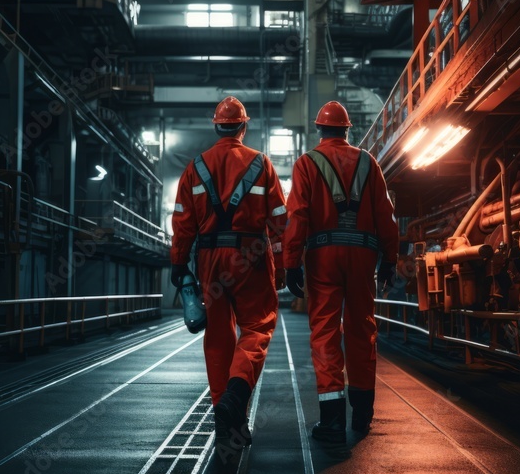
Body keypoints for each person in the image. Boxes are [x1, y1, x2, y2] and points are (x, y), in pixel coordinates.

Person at [170, 96, 287, 454]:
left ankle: (227, 419)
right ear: (243, 126)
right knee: (257, 327)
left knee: (218, 335)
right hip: (250, 254)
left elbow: (182, 222)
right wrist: (282, 267)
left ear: (216, 125)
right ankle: (236, 395)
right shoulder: (261, 164)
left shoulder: (195, 167)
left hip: (209, 257)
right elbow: (280, 222)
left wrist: (178, 263)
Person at [283, 101, 398, 443]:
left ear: (320, 129)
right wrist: (389, 259)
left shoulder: (307, 163)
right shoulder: (369, 162)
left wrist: (291, 263)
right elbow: (386, 215)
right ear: (347, 129)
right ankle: (362, 417)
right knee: (363, 328)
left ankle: (332, 421)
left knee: (325, 332)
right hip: (363, 254)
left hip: (324, 256)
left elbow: (298, 216)